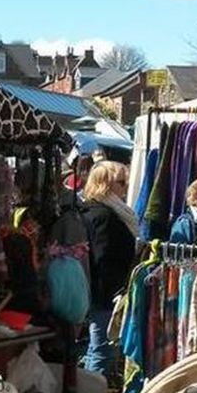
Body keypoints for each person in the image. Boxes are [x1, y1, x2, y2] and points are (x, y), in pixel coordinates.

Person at [81, 161, 137, 376]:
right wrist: (114, 294)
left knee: (96, 349)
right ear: (105, 184)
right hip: (105, 294)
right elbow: (103, 259)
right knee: (102, 351)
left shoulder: (92, 210)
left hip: (97, 292)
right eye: (121, 182)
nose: (125, 188)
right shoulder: (105, 216)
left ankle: (88, 390)